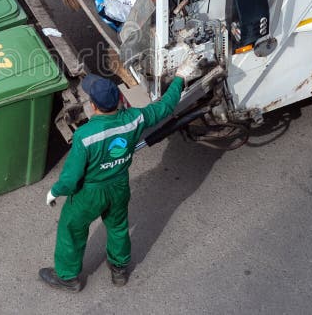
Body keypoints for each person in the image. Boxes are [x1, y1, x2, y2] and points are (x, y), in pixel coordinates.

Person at [38, 54, 200, 292]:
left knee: (71, 230)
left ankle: (68, 277)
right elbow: (165, 106)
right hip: (119, 187)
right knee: (117, 227)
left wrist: (55, 191)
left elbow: (71, 178)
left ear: (93, 106)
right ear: (120, 100)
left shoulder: (85, 135)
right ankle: (119, 270)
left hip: (89, 194)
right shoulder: (134, 119)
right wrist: (179, 78)